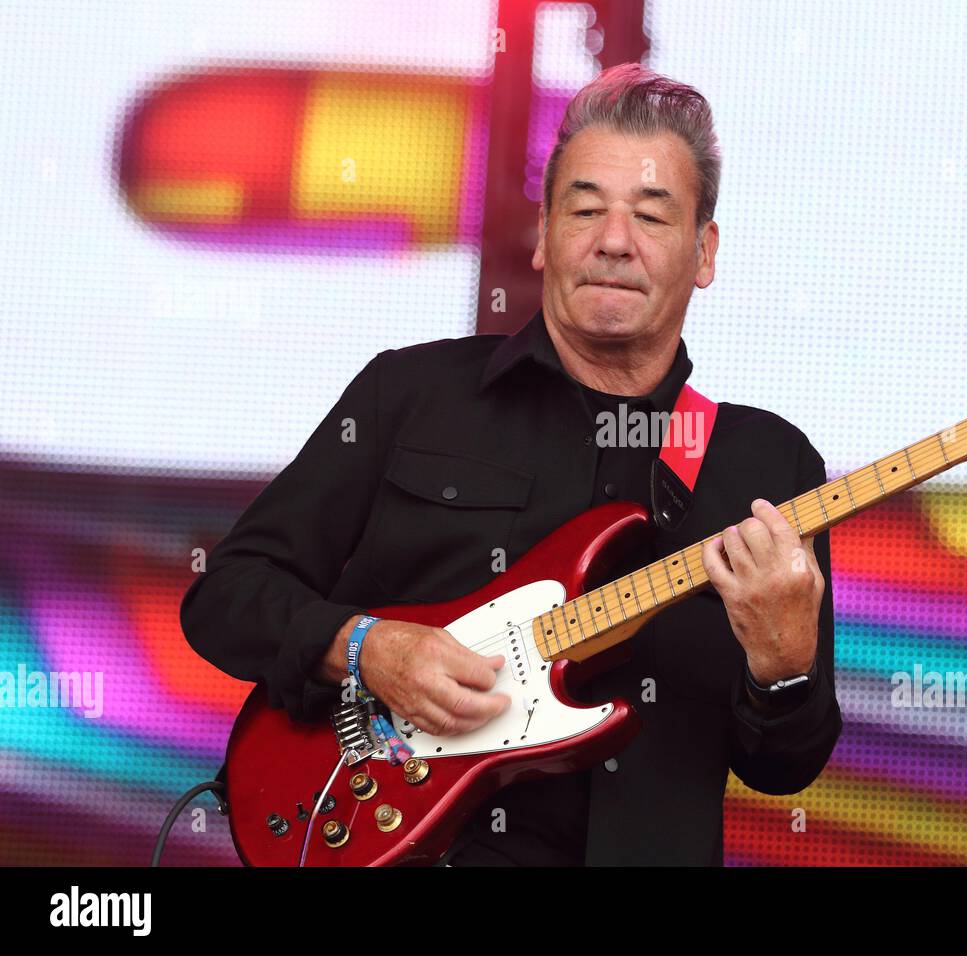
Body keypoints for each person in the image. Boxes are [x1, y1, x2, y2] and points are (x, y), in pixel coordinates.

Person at [180, 63, 842, 866]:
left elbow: (783, 768)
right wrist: (366, 648)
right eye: (585, 207)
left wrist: (784, 662)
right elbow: (227, 597)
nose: (613, 240)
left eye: (653, 217)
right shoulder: (413, 393)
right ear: (543, 234)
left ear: (705, 251)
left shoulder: (766, 465)